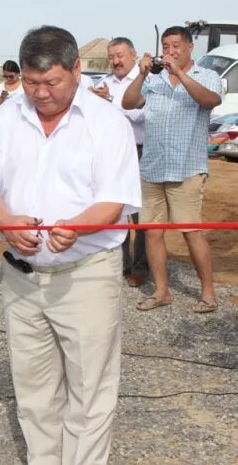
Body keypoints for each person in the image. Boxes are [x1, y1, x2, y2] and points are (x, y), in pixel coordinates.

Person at [0, 26, 141, 464]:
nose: (41, 93)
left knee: (89, 394)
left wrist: (79, 227)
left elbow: (114, 200)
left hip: (85, 277)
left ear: (77, 69)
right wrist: (5, 221)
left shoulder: (108, 123)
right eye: (31, 83)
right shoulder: (8, 116)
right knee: (33, 392)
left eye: (52, 83)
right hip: (22, 278)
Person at [122, 26, 222, 313]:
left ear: (191, 47)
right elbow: (127, 103)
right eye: (166, 46)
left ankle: (208, 293)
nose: (170, 50)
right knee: (152, 232)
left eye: (176, 45)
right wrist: (141, 74)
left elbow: (210, 101)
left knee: (191, 232)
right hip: (152, 167)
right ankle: (162, 291)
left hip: (187, 169)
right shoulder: (154, 80)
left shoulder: (207, 76)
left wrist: (180, 74)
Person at [89, 37, 149, 287]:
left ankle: (141, 268)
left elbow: (139, 115)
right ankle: (120, 264)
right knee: (116, 209)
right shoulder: (106, 83)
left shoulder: (147, 80)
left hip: (141, 152)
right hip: (113, 154)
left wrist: (111, 102)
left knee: (142, 216)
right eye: (111, 56)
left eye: (120, 55)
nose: (115, 61)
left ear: (133, 55)